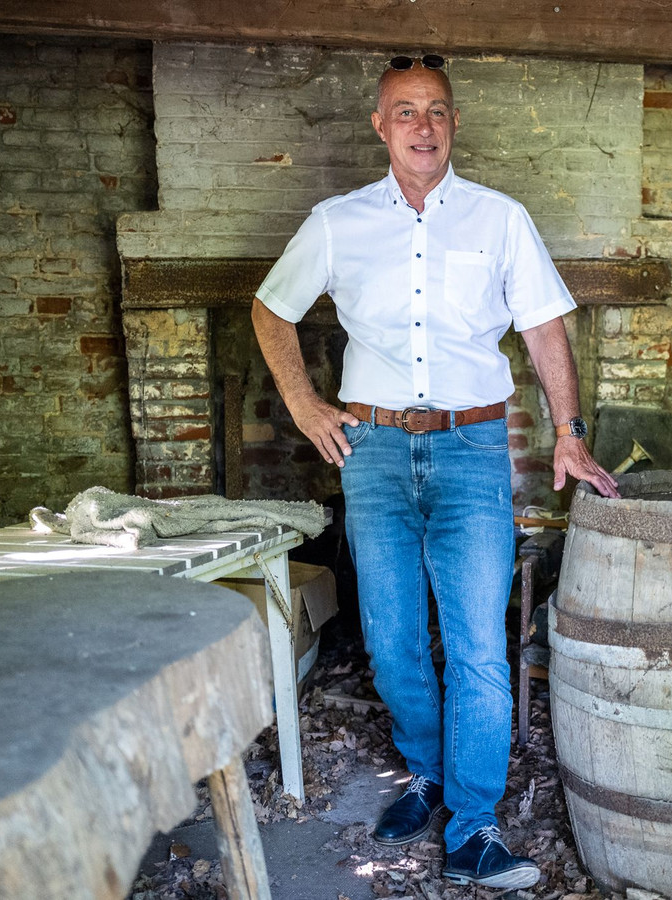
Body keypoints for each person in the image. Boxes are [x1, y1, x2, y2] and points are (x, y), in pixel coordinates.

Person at [251, 54, 620, 890]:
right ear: (381, 127)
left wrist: (569, 431)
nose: (424, 125)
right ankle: (426, 771)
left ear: (454, 125)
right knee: (388, 641)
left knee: (478, 646)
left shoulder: (499, 219)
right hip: (372, 453)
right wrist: (308, 406)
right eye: (406, 112)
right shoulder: (339, 222)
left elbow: (544, 330)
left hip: (471, 453)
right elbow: (271, 308)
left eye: (439, 111)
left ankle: (475, 825)